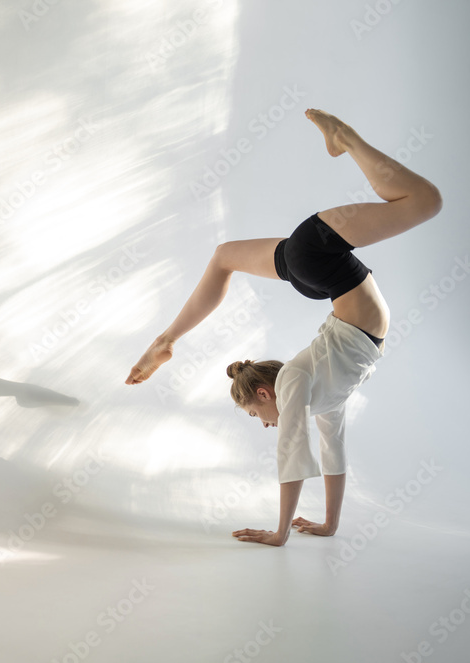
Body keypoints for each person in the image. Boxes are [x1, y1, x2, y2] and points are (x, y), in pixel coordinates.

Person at [124, 109, 443, 546]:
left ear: (263, 392)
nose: (264, 423)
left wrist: (279, 533)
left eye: (256, 414)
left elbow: (291, 452)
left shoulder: (294, 380)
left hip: (318, 261)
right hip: (314, 270)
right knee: (223, 257)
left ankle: (345, 138)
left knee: (425, 201)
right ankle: (165, 340)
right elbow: (333, 452)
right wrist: (329, 524)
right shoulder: (321, 395)